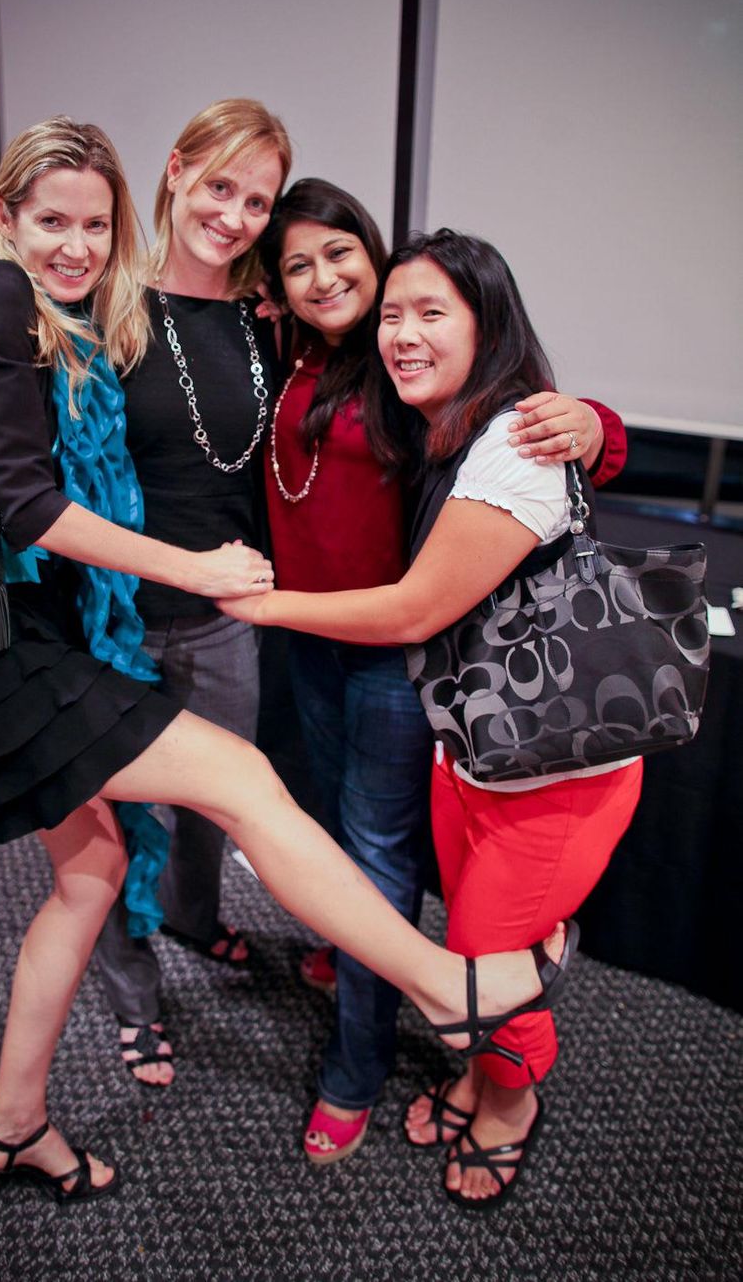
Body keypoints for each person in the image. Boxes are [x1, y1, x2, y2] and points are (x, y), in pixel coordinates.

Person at [0, 121, 573, 1206]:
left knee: (92, 867)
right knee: (238, 791)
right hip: (3, 640)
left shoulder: (187, 320)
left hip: (38, 630)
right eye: (52, 222)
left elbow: (478, 391)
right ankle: (447, 989)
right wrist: (198, 568)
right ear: (7, 216)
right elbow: (28, 501)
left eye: (91, 225)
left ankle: (11, 1124)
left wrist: (586, 424)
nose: (74, 244)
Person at [220, 226, 642, 1206]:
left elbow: (413, 607)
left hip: (550, 771)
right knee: (462, 940)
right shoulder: (447, 421)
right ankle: (474, 1078)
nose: (402, 335)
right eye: (394, 318)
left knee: (488, 965)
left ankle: (507, 1110)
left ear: (484, 323)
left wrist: (265, 604)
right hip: (478, 748)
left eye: (429, 314)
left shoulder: (508, 444)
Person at [90, 99, 291, 1087]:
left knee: (217, 806)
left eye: (257, 200)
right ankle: (131, 996)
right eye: (219, 186)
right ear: (173, 171)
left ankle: (196, 917)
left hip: (225, 619)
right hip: (114, 616)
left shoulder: (264, 322)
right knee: (117, 817)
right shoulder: (108, 306)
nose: (235, 214)